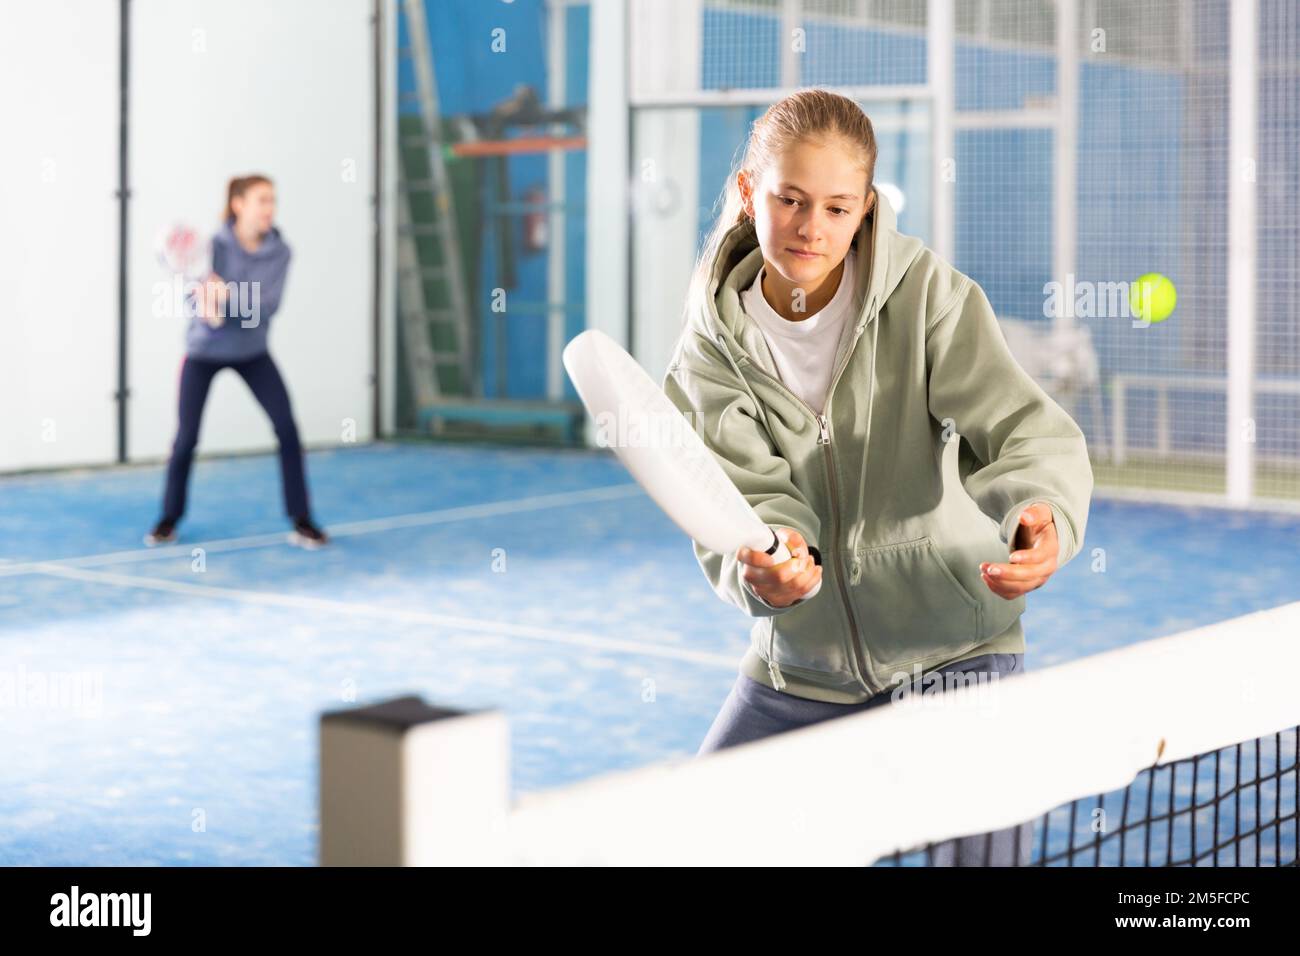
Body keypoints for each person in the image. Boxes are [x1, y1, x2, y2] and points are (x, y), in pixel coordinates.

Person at [662, 89, 1094, 865]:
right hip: (801, 672)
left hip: (956, 656)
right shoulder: (708, 352)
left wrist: (1043, 510)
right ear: (747, 192)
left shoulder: (928, 297)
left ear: (865, 209)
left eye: (835, 206)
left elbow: (1024, 428)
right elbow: (739, 499)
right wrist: (770, 564)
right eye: (789, 199)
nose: (809, 227)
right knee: (697, 840)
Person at [145, 175, 329, 550]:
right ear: (238, 204)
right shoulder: (211, 246)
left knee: (287, 429)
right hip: (203, 354)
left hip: (252, 353)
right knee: (186, 438)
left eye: (272, 201)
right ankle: (168, 519)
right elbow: (194, 300)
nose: (269, 209)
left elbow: (267, 309)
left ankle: (302, 520)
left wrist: (227, 300)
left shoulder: (281, 252)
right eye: (262, 200)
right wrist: (207, 308)